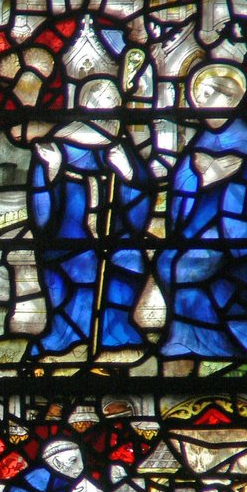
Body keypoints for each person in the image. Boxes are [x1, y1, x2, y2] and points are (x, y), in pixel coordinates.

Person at [26, 75, 152, 357]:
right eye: (105, 100)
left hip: (115, 236)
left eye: (114, 102)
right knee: (71, 272)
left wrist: (128, 173)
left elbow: (142, 194)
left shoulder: (118, 147)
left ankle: (115, 333)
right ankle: (65, 336)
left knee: (129, 263)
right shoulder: (55, 146)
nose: (111, 107)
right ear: (86, 103)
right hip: (68, 236)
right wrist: (53, 170)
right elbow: (40, 206)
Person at [156, 63, 247, 363]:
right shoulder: (202, 140)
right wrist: (199, 177)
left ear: (232, 99)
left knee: (185, 267)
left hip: (234, 232)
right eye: (200, 96)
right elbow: (182, 187)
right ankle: (185, 337)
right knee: (167, 259)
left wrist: (233, 174)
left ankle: (216, 341)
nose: (202, 103)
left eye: (210, 95)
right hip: (197, 228)